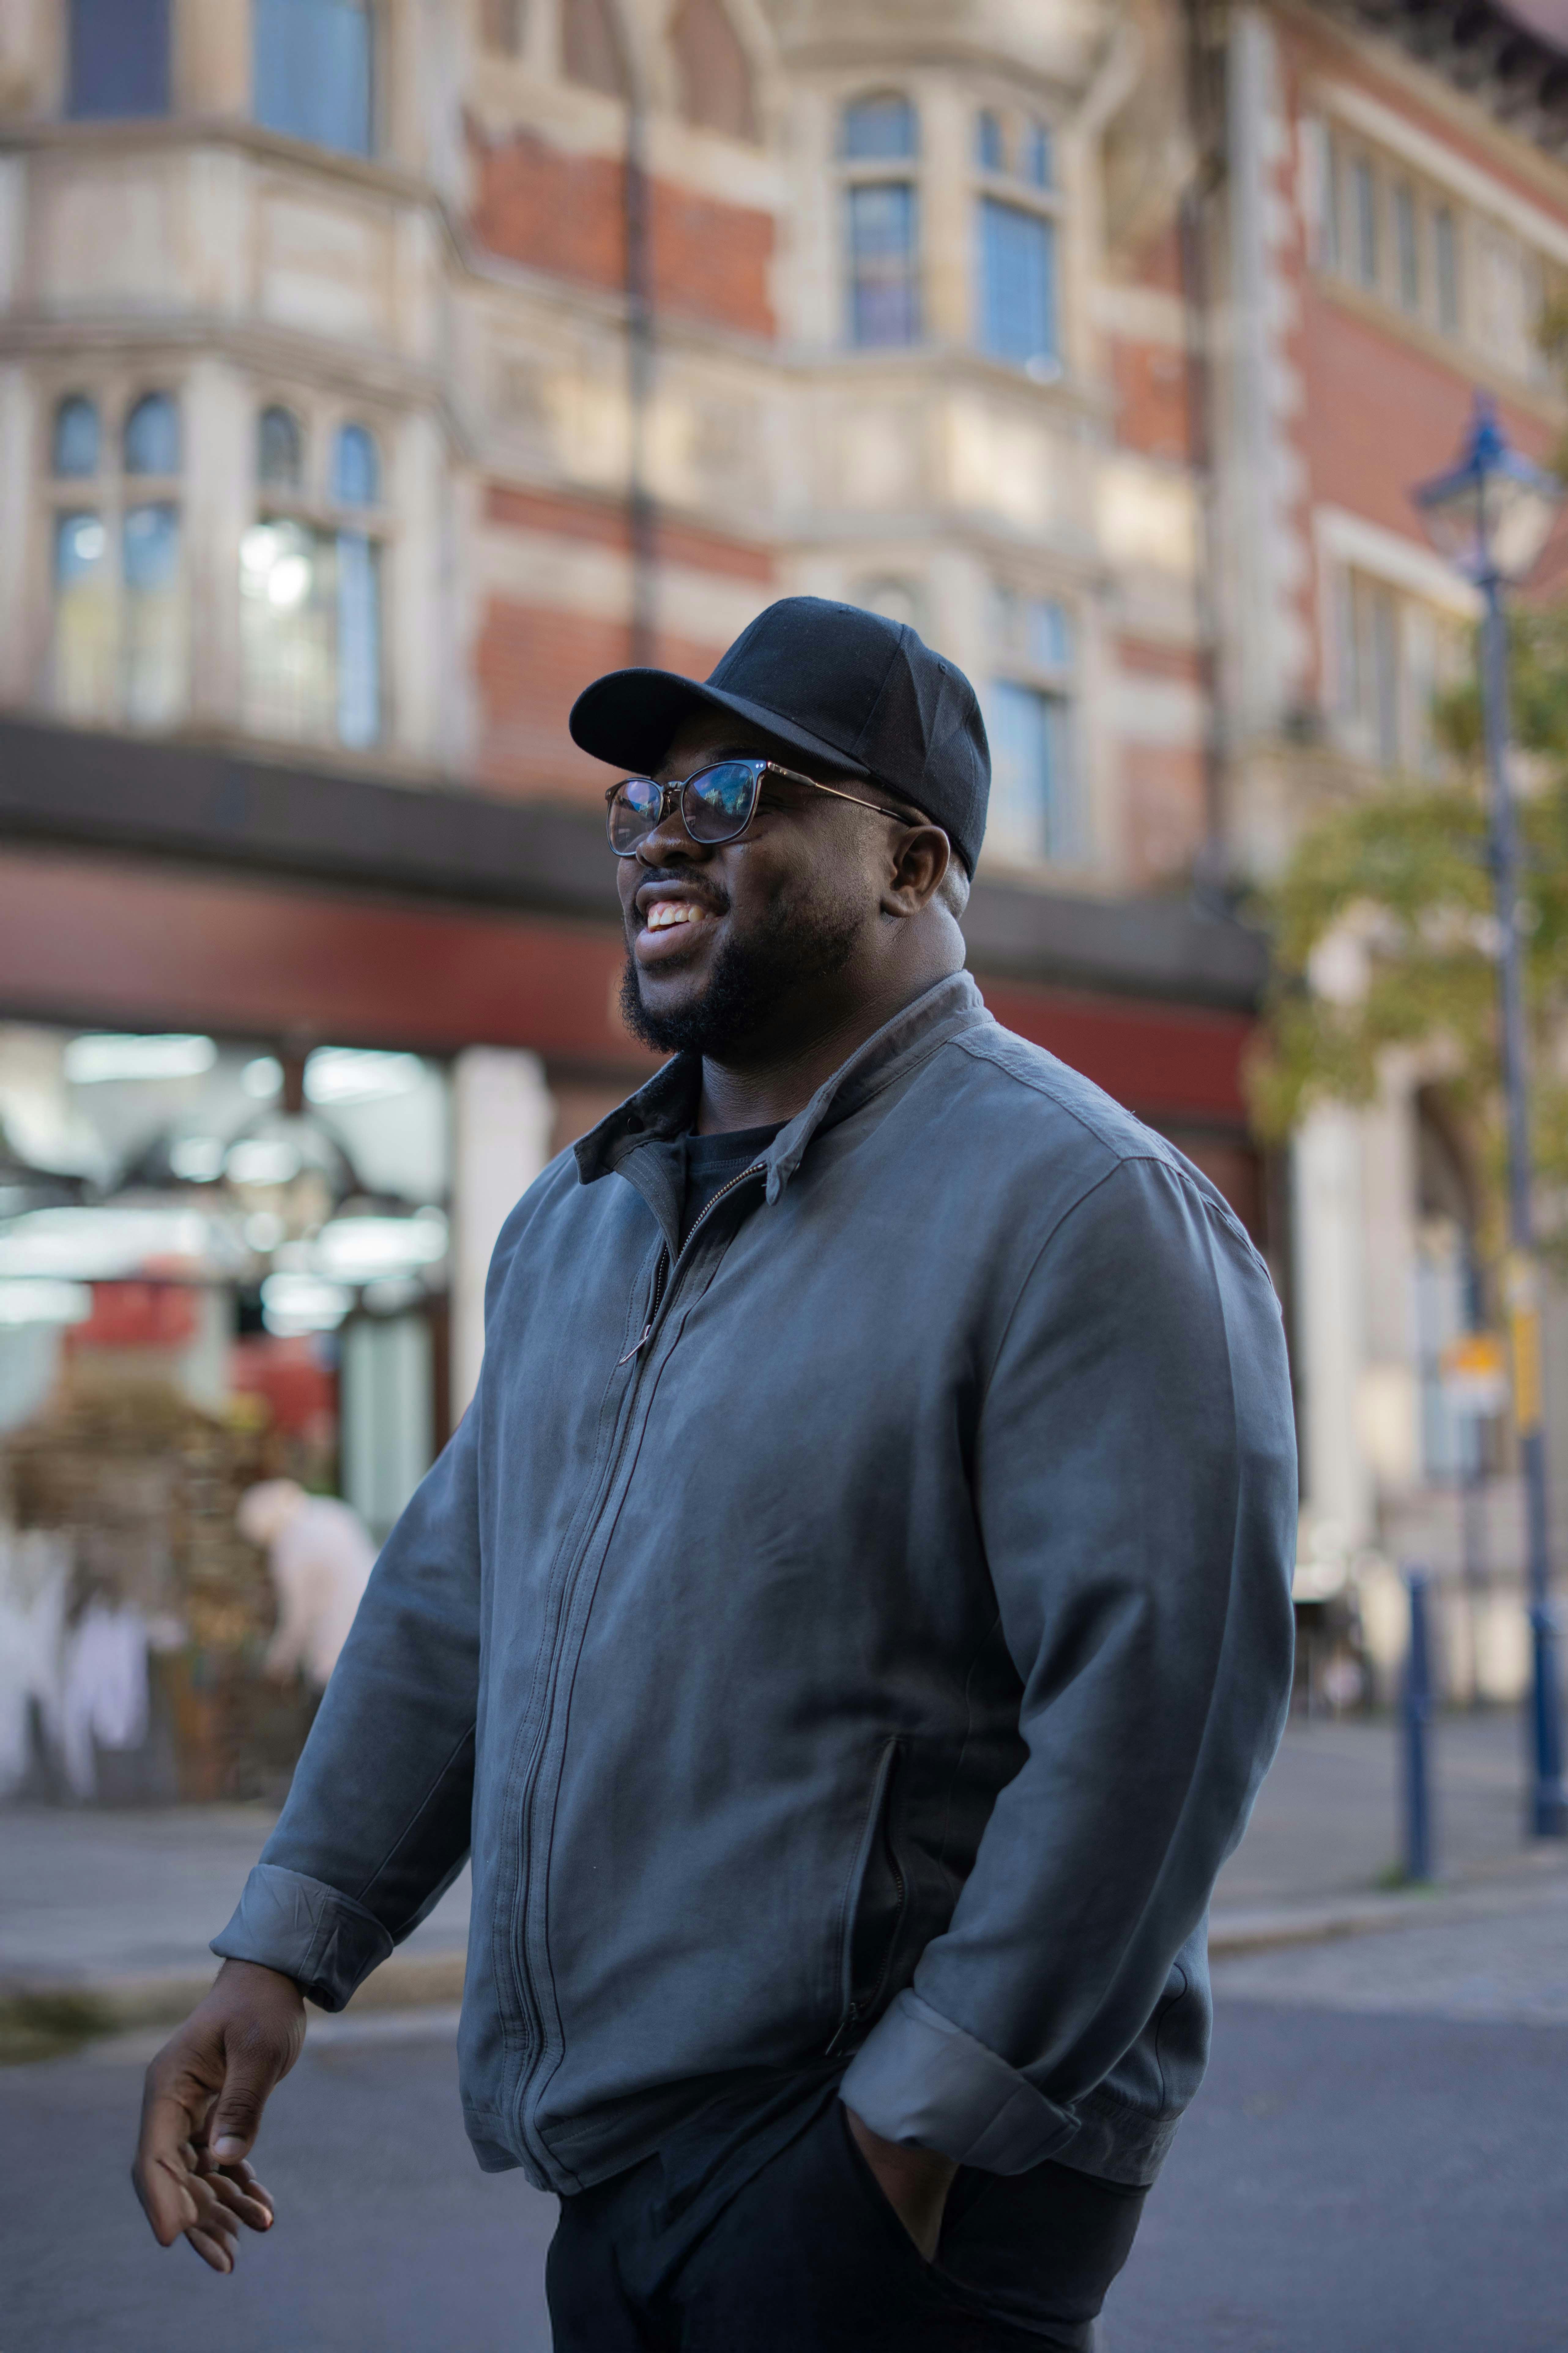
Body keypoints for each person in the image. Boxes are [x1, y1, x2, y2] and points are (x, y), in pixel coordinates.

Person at [132, 597, 1297, 2348]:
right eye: (637, 805)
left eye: (735, 788)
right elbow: (451, 1608)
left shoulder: (1081, 1209)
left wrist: (908, 2134)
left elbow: (1158, 1713)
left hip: (896, 2185)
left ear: (910, 862)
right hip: (624, 2158)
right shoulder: (577, 1220)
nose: (663, 836)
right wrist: (280, 1956)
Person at [236, 1479, 377, 1691]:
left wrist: (278, 1663)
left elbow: (297, 1616)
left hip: (336, 1657)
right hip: (375, 1636)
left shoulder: (290, 1544)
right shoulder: (333, 1511)